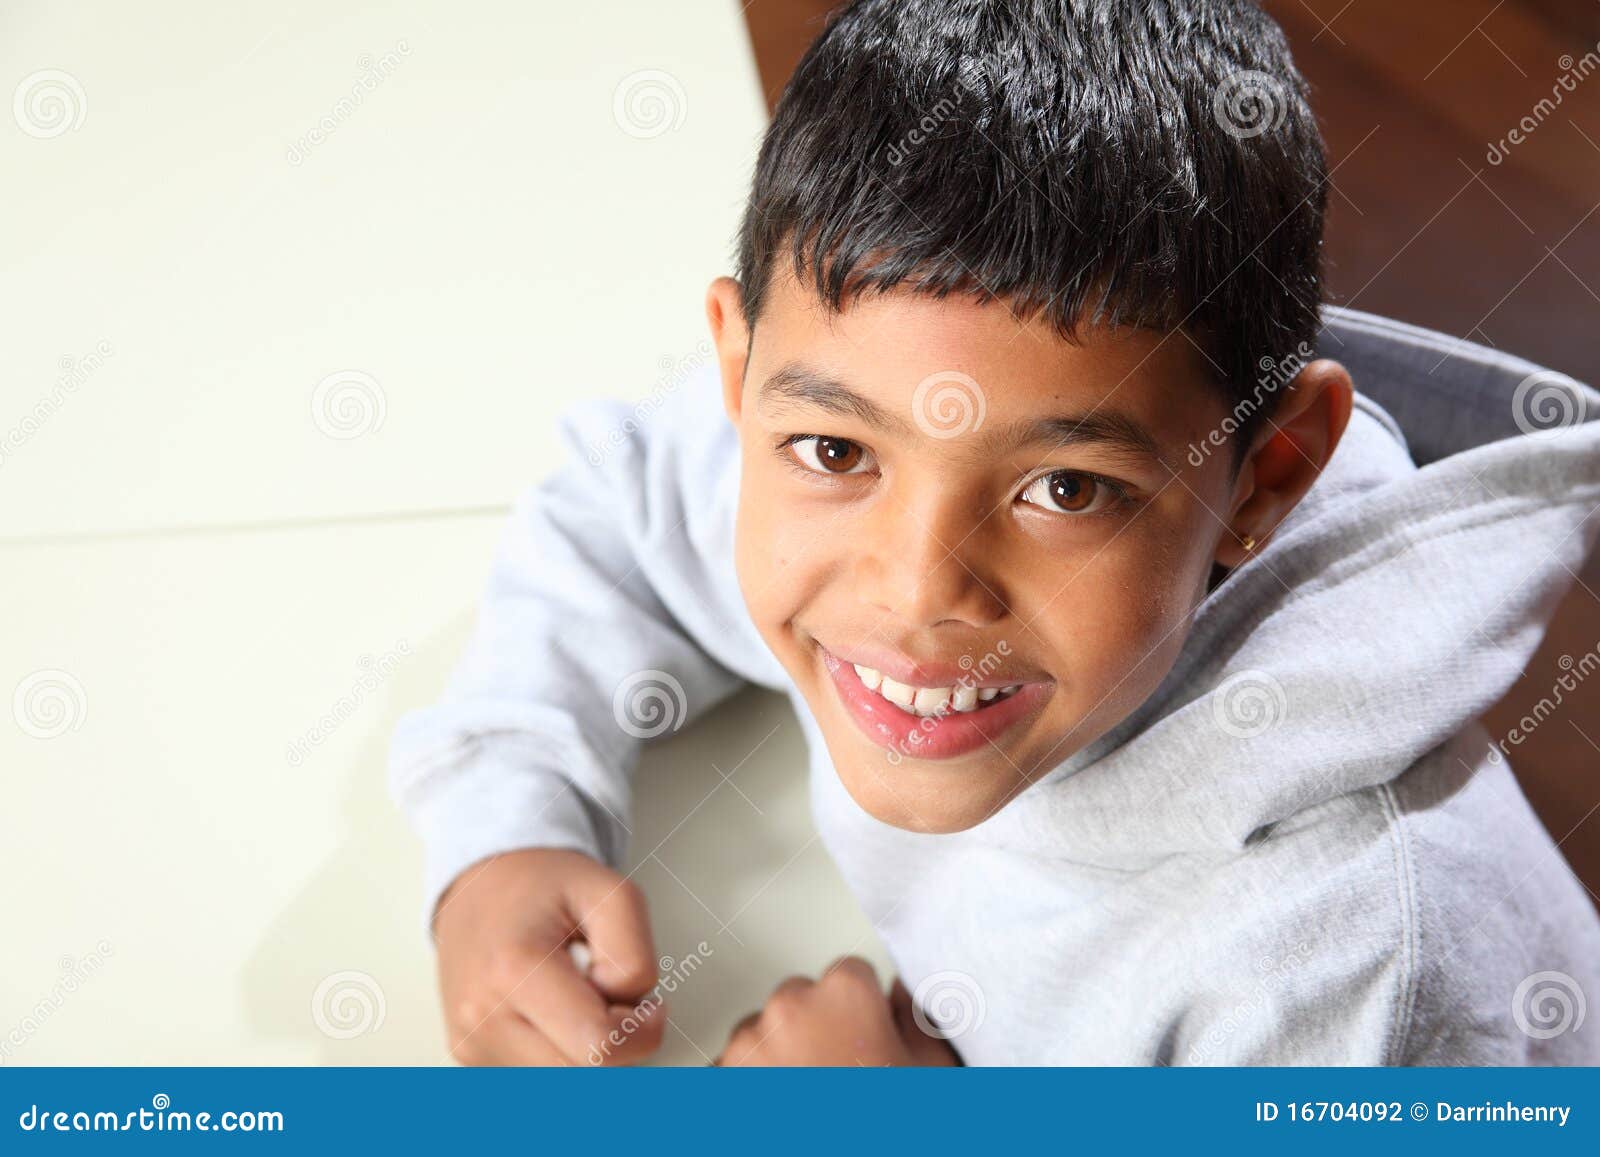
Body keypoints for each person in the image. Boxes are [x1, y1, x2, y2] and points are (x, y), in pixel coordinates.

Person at [389, 0, 1600, 1065]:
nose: (914, 588)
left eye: (1067, 490)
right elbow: (619, 509)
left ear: (1265, 474)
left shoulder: (1364, 993)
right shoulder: (849, 429)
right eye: (833, 452)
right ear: (740, 369)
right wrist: (509, 828)